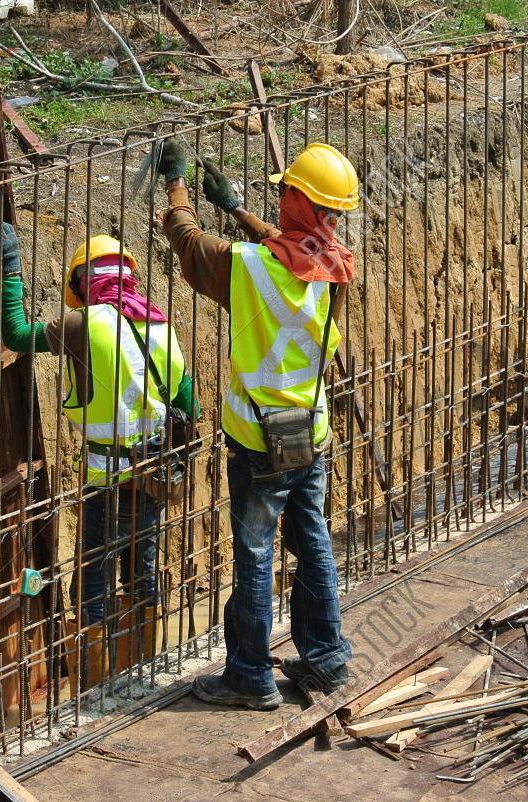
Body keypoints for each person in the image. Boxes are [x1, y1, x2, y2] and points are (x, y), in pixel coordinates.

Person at [157, 140, 358, 710]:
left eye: (285, 191)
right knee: (313, 541)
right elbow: (290, 251)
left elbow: (190, 244)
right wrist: (239, 209)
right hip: (310, 432)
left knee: (254, 554)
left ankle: (250, 673)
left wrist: (177, 184)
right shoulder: (335, 266)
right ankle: (325, 658)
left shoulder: (244, 268)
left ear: (298, 200)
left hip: (257, 441)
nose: (280, 196)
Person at [0, 224, 196, 684]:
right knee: (142, 569)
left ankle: (97, 684)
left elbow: (18, 336)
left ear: (82, 283)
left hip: (107, 476)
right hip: (157, 471)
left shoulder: (84, 324)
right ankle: (141, 672)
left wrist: (10, 267)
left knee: (94, 577)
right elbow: (188, 404)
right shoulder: (161, 325)